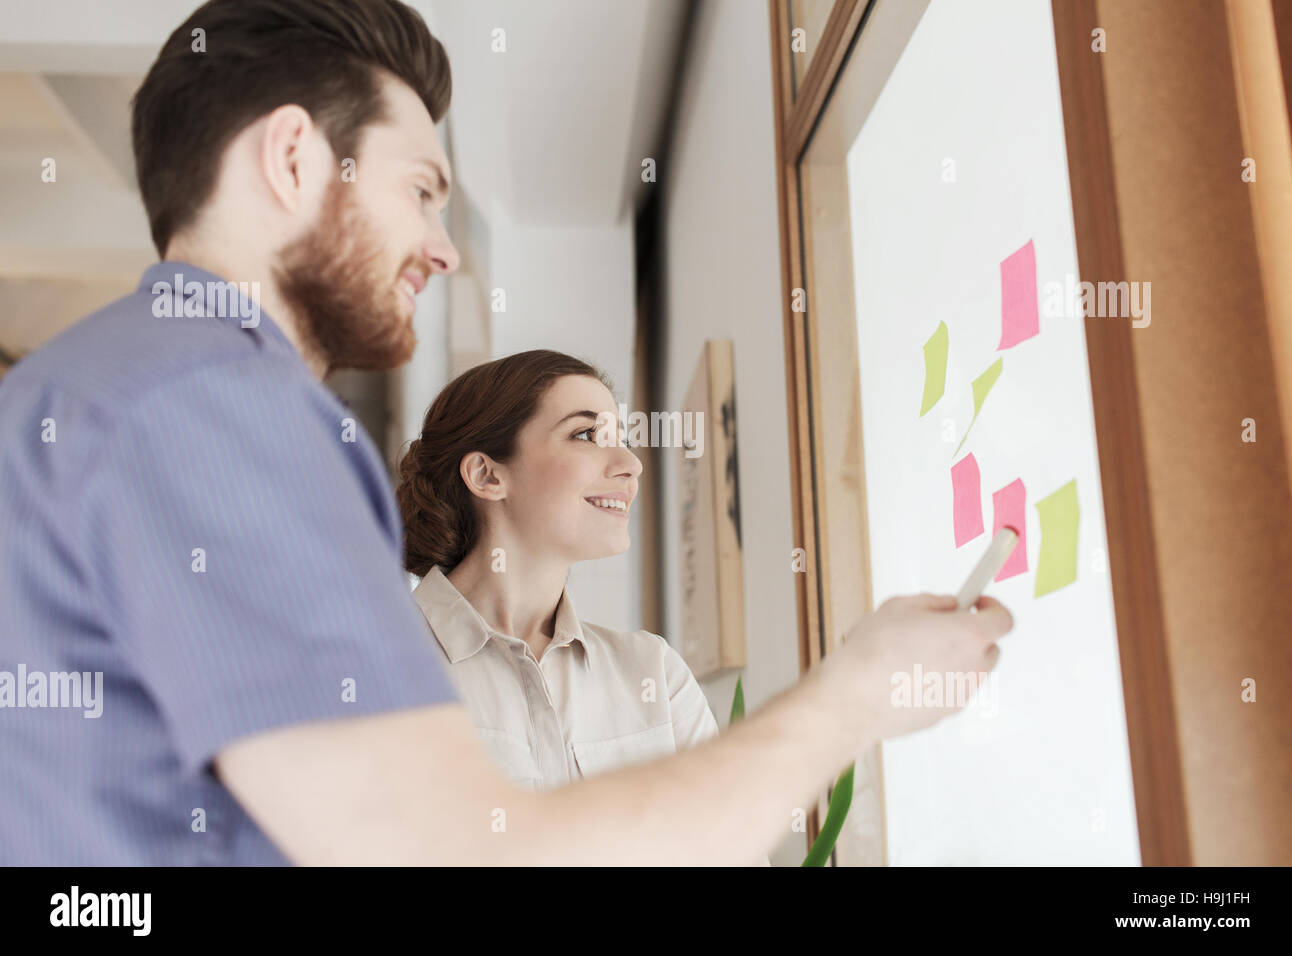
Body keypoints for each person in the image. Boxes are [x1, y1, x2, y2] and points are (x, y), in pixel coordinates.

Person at [0, 0, 1012, 866]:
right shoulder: (221, 404)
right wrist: (857, 696)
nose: (442, 249)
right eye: (422, 190)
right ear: (295, 156)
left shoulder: (85, 390)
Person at [396, 349, 771, 864]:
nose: (630, 464)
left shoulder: (654, 673)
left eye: (620, 438)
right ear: (486, 475)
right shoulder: (375, 667)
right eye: (586, 435)